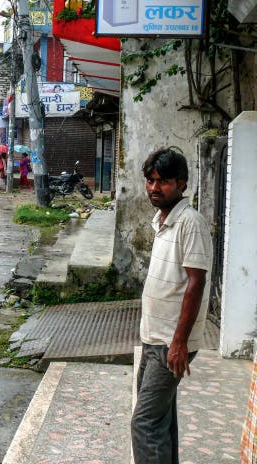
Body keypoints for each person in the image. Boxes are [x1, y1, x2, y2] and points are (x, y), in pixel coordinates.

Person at [131, 148, 212, 464]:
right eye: (150, 181)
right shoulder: (162, 220)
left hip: (170, 343)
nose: (153, 188)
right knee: (160, 419)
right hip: (154, 338)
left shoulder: (190, 222)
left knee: (145, 422)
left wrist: (178, 343)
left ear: (181, 184)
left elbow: (196, 282)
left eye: (162, 181)